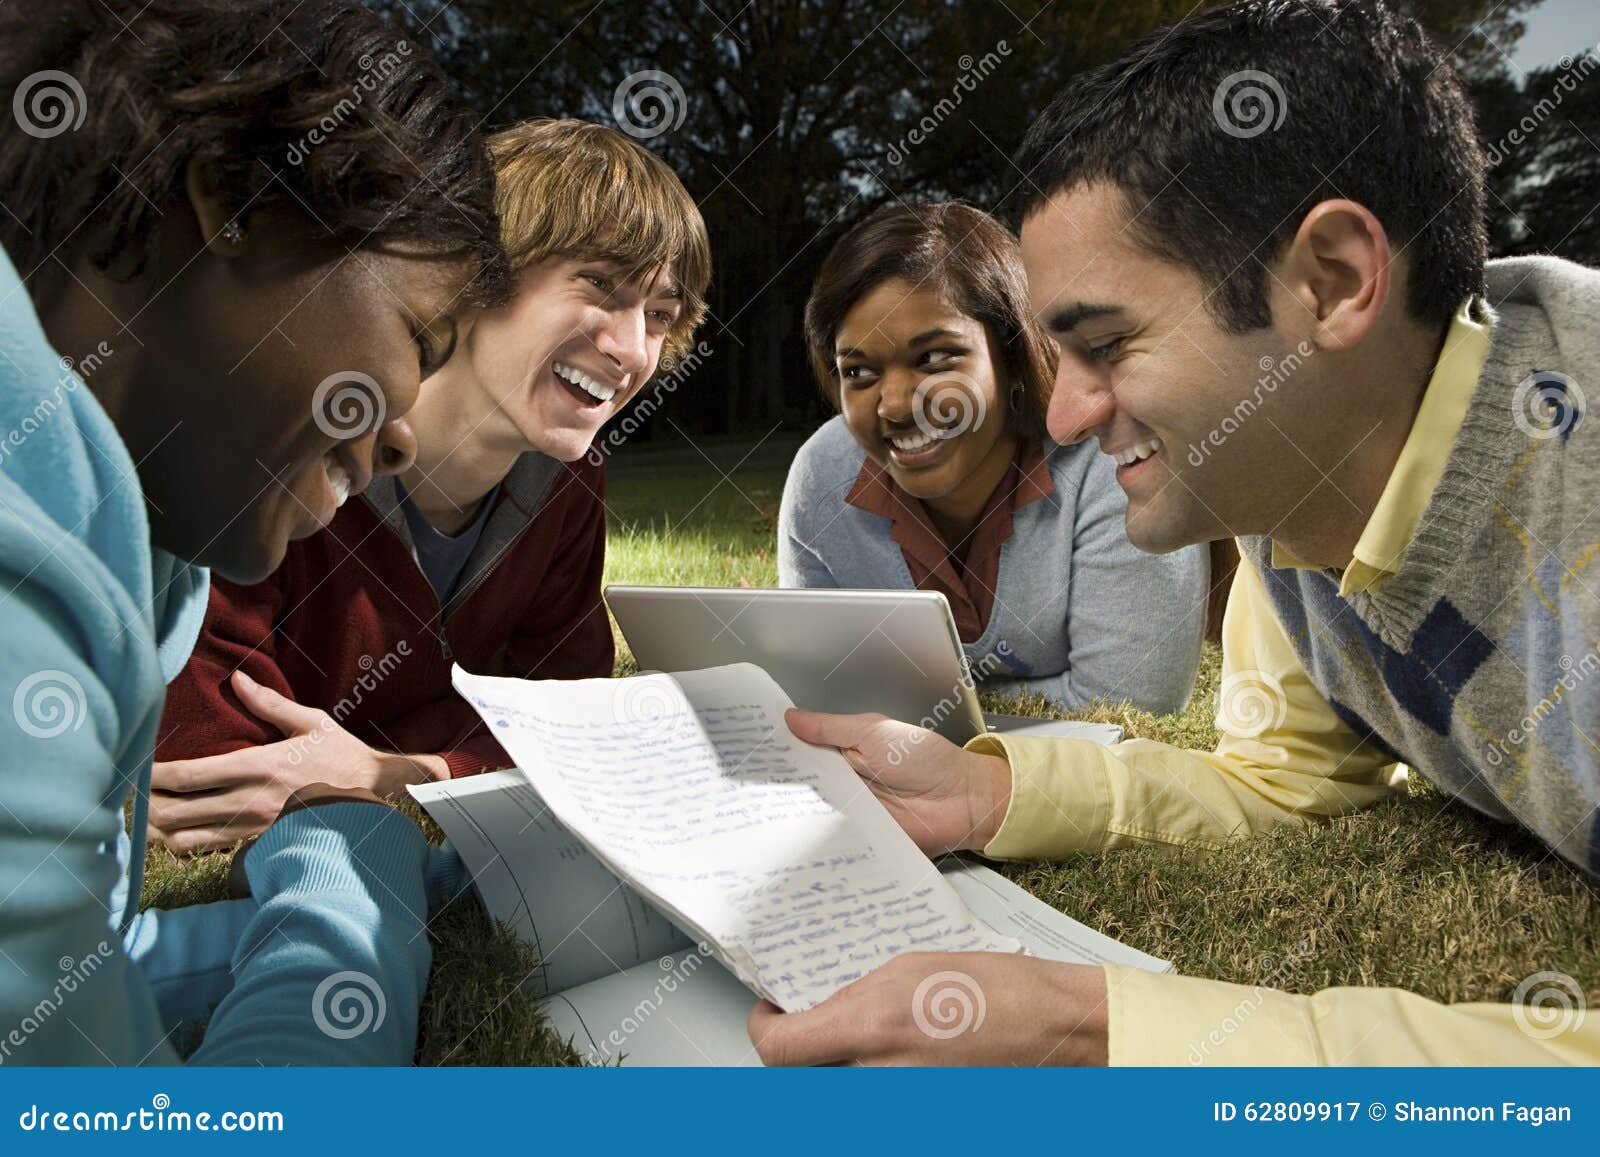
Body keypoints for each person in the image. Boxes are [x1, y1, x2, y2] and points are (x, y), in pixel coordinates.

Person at [751, 0, 1600, 1065]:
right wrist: (987, 788)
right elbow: (1281, 779)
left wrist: (1090, 1028)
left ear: (1330, 282)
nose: (1061, 417)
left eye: (1105, 343)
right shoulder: (1290, 503)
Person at [0, 0, 507, 1063]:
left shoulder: (118, 522)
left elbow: (93, 958)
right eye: (421, 333)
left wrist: (357, 844)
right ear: (239, 202)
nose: (406, 432)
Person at [152, 119, 711, 854]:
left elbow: (573, 727)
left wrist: (398, 773)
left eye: (660, 316)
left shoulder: (571, 482)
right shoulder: (295, 433)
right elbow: (208, 759)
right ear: (478, 270)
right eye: (600, 285)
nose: (631, 348)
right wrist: (463, 761)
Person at [779, 202, 1207, 713]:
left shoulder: (1112, 457)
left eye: (935, 359)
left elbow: (1131, 703)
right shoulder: (823, 476)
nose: (894, 406)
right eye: (859, 373)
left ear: (1012, 356)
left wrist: (912, 709)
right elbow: (823, 692)